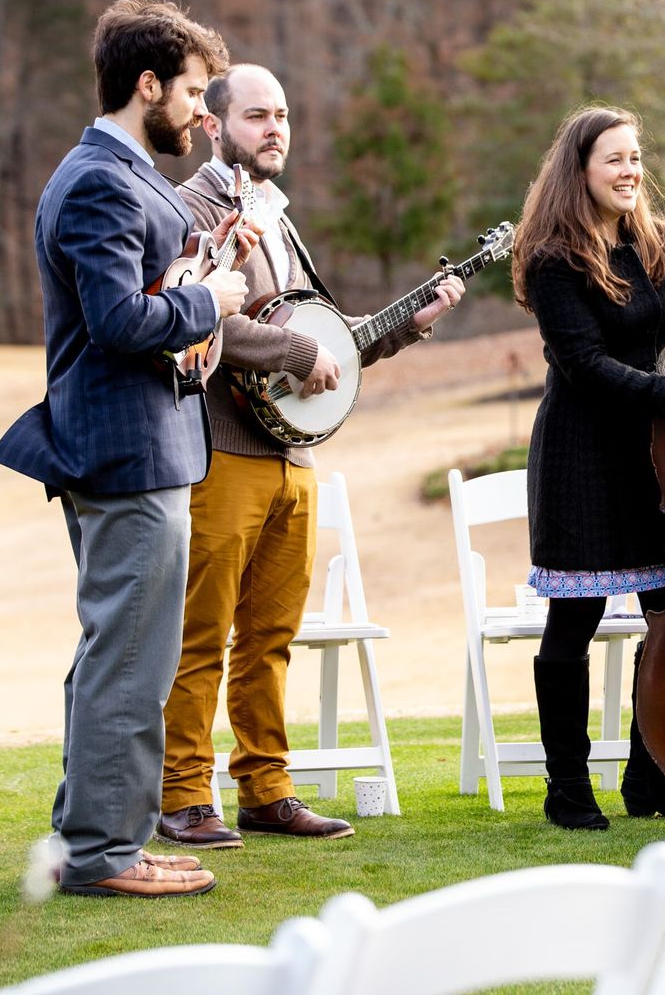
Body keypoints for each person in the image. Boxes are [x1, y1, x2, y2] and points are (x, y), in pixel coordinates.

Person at [157, 63, 463, 849]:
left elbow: (329, 341)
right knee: (201, 633)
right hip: (220, 453)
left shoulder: (278, 217)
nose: (275, 129)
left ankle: (266, 789)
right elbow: (198, 317)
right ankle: (183, 795)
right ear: (213, 125)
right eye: (257, 115)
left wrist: (408, 323)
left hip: (293, 459)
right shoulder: (190, 209)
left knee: (271, 638)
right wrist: (295, 351)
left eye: (284, 115)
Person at [0, 0, 247, 898]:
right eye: (193, 92)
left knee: (121, 650)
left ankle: (96, 838)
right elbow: (115, 320)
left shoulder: (121, 175)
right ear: (147, 86)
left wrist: (203, 254)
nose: (201, 113)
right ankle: (103, 854)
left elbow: (142, 281)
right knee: (131, 658)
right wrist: (210, 301)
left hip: (142, 448)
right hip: (125, 452)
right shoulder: (99, 179)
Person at [510, 104, 665, 830]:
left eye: (635, 158)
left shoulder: (654, 242)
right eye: (614, 160)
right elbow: (584, 365)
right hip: (583, 455)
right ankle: (567, 789)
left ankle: (652, 779)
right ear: (580, 171)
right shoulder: (554, 258)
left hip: (655, 456)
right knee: (575, 620)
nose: (630, 172)